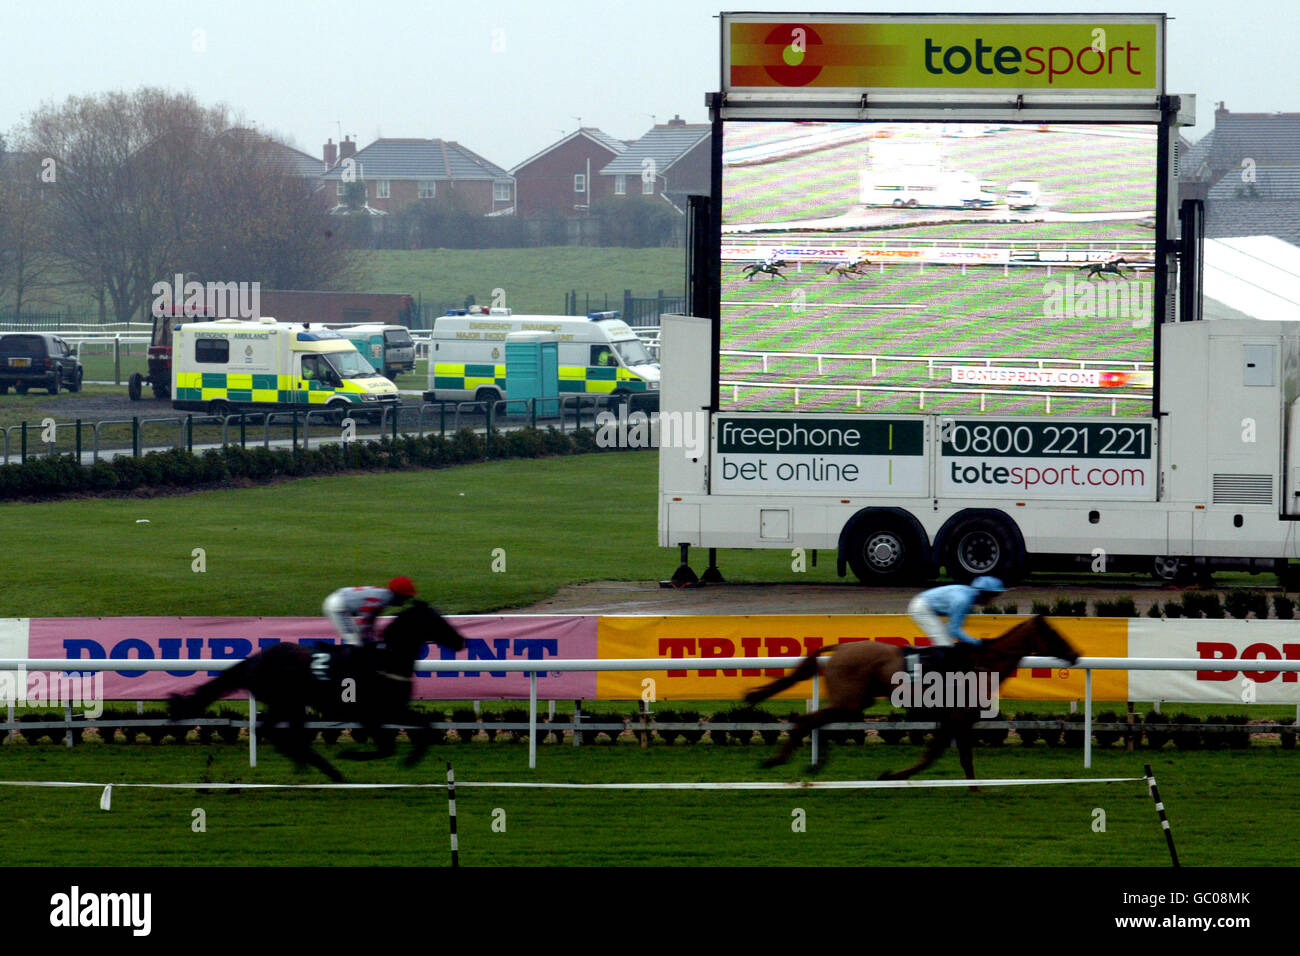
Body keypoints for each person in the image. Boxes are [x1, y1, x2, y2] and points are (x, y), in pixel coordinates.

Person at [907, 576, 1006, 649]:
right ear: (985, 594)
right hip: (921, 608)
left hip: (924, 605)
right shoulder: (964, 600)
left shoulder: (968, 596)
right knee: (945, 645)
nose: (993, 601)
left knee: (947, 642)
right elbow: (954, 631)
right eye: (993, 596)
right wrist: (977, 643)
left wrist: (973, 642)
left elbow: (953, 628)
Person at [322, 577, 419, 647]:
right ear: (399, 594)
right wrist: (370, 640)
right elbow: (365, 622)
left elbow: (369, 623)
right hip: (337, 606)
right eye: (406, 597)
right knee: (354, 641)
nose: (405, 601)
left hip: (339, 602)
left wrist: (370, 638)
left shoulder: (384, 596)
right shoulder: (381, 600)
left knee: (360, 640)